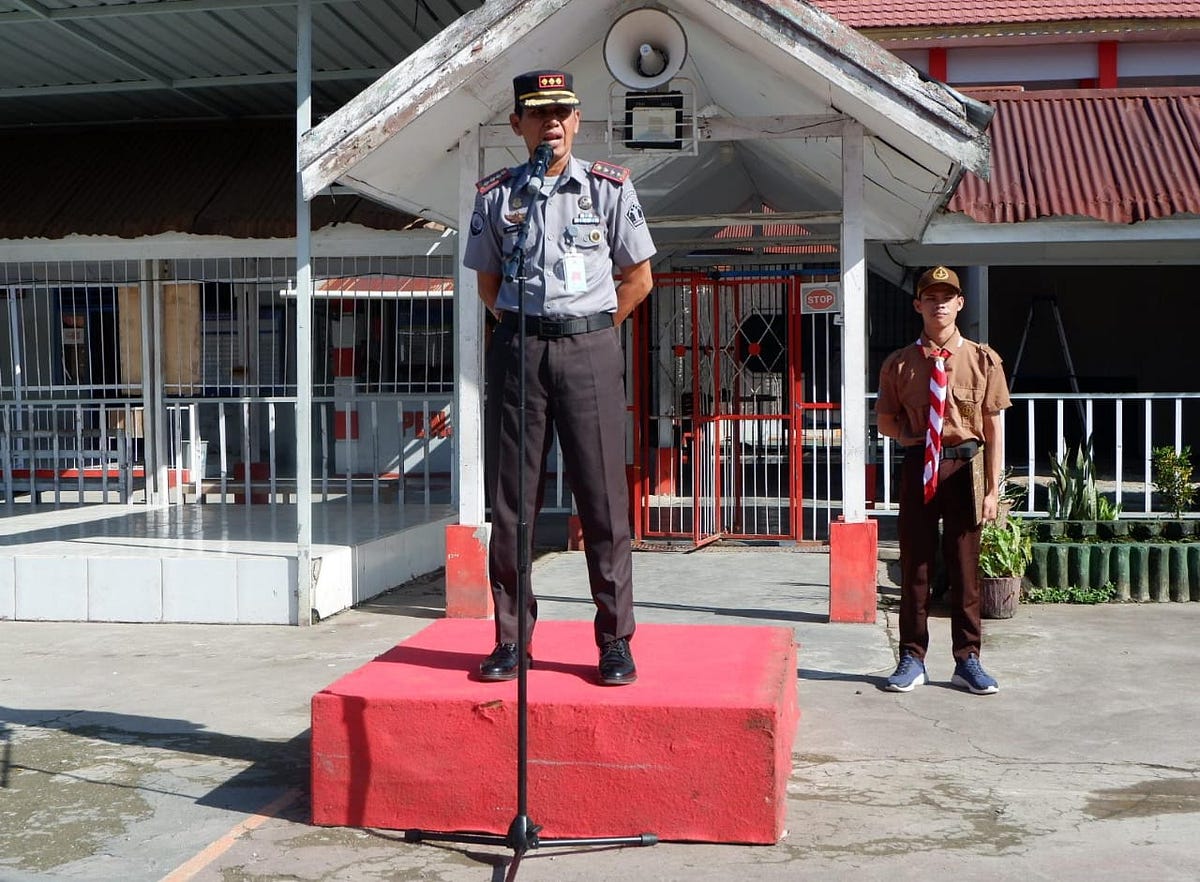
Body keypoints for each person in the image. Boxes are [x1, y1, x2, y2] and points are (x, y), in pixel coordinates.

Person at [463, 70, 656, 686]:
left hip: (590, 352)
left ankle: (615, 641)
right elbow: (487, 285)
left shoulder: (608, 189)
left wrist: (594, 327)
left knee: (602, 502)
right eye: (538, 112)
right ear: (517, 124)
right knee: (513, 504)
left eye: (563, 111)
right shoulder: (497, 196)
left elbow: (640, 278)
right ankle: (511, 639)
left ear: (577, 120)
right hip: (520, 351)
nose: (552, 123)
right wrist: (530, 329)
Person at [875, 266, 1011, 694]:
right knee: (915, 564)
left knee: (964, 565)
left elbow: (993, 428)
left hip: (964, 467)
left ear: (959, 304)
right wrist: (913, 437)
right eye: (930, 297)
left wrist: (992, 490)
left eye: (946, 297)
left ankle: (967, 659)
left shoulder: (981, 359)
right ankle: (912, 658)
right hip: (919, 465)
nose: (939, 304)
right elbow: (883, 421)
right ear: (918, 305)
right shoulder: (900, 364)